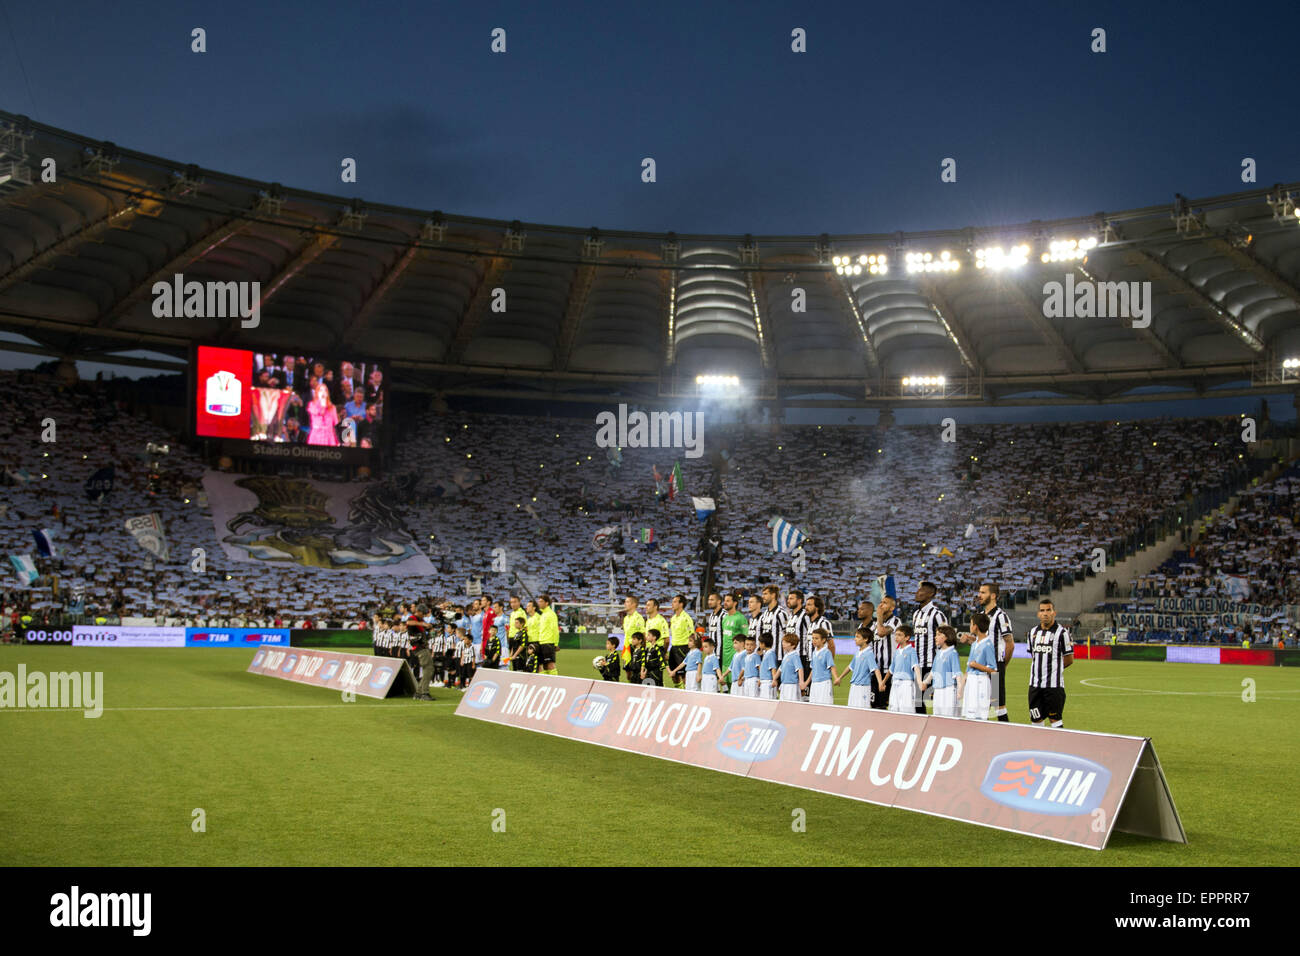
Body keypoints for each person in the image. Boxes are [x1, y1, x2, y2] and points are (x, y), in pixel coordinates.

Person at [1026, 598, 1074, 727]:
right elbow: (1033, 656)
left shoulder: (1062, 633)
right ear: (1038, 614)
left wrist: (1055, 669)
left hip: (1054, 687)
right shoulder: (1032, 633)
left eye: (1048, 610)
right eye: (1042, 610)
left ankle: (1058, 746)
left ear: (1054, 613)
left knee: (1055, 721)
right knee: (1036, 721)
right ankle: (1038, 746)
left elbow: (1069, 659)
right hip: (1035, 686)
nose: (1045, 613)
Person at [977, 582, 1015, 721]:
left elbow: (1010, 644)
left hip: (995, 666)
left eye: (983, 593)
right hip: (980, 667)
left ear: (993, 596)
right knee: (982, 706)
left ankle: (1005, 737)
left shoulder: (1001, 616)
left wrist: (1002, 666)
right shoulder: (980, 616)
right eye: (979, 592)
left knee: (998, 706)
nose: (979, 595)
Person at [911, 581, 947, 714]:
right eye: (918, 590)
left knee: (937, 701)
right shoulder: (916, 614)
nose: (917, 593)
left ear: (931, 594)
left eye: (922, 591)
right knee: (918, 702)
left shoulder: (937, 614)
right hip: (918, 666)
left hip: (933, 665)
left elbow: (947, 638)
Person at [962, 615, 996, 720]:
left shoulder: (988, 644)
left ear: (975, 627)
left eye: (971, 624)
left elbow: (993, 670)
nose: (970, 626)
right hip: (971, 681)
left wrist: (977, 665)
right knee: (969, 715)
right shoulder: (974, 644)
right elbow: (969, 664)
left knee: (980, 716)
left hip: (981, 682)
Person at [837, 626, 881, 709]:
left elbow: (875, 669)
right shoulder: (857, 653)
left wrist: (880, 683)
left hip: (863, 687)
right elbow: (850, 667)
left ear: (865, 639)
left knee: (862, 711)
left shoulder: (869, 653)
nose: (855, 639)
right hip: (854, 686)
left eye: (857, 637)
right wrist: (840, 677)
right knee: (851, 709)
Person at [924, 625, 961, 717]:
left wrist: (960, 690)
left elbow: (957, 673)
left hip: (948, 690)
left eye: (938, 635)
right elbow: (933, 671)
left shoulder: (953, 653)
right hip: (937, 689)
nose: (935, 637)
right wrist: (925, 682)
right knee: (937, 716)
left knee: (949, 717)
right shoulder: (939, 653)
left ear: (946, 637)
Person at [871, 597, 899, 710]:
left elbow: (882, 632)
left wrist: (879, 616)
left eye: (885, 603)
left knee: (883, 705)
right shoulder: (874, 624)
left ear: (892, 608)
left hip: (889, 671)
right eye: (881, 602)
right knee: (873, 704)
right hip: (875, 670)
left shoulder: (895, 621)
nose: (881, 605)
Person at [888, 624, 922, 713]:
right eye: (896, 634)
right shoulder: (897, 652)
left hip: (906, 684)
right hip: (895, 682)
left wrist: (919, 682)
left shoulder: (912, 651)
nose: (896, 637)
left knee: (906, 709)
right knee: (893, 708)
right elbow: (891, 669)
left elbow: (916, 667)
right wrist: (883, 682)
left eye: (899, 635)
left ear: (907, 637)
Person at [667, 594, 694, 689]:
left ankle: (686, 693)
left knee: (684, 675)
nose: (672, 604)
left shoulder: (686, 618)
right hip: (673, 648)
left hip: (683, 648)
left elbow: (692, 635)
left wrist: (691, 650)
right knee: (673, 675)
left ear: (681, 604)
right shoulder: (673, 618)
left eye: (675, 602)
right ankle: (679, 691)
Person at [306, 382, 339, 446]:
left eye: (325, 390)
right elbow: (318, 412)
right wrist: (322, 404)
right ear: (317, 393)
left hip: (329, 436)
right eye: (321, 390)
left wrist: (337, 440)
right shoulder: (312, 405)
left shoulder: (332, 407)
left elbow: (335, 423)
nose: (323, 392)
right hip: (316, 436)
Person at [807, 628, 835, 705]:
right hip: (814, 683)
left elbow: (832, 666)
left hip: (824, 683)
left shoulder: (827, 652)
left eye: (816, 638)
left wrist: (836, 678)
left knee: (825, 707)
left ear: (823, 640)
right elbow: (813, 669)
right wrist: (807, 682)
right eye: (812, 638)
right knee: (814, 707)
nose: (814, 640)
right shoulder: (814, 652)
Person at [776, 633, 804, 702]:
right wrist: (774, 678)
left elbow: (800, 669)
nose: (783, 644)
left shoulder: (795, 656)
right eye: (783, 642)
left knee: (791, 705)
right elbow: (780, 668)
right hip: (784, 684)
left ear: (793, 645)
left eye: (786, 642)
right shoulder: (786, 655)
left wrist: (801, 681)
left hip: (791, 686)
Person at [620, 596, 645, 667]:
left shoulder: (638, 618)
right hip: (627, 647)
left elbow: (643, 634)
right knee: (628, 672)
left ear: (633, 604)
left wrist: (642, 651)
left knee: (636, 672)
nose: (625, 604)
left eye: (627, 602)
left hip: (636, 648)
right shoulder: (625, 618)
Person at [757, 634, 778, 699]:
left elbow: (773, 668)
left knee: (768, 702)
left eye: (760, 643)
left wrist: (774, 680)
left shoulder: (770, 653)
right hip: (764, 681)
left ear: (763, 644)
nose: (759, 645)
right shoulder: (766, 653)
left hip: (768, 682)